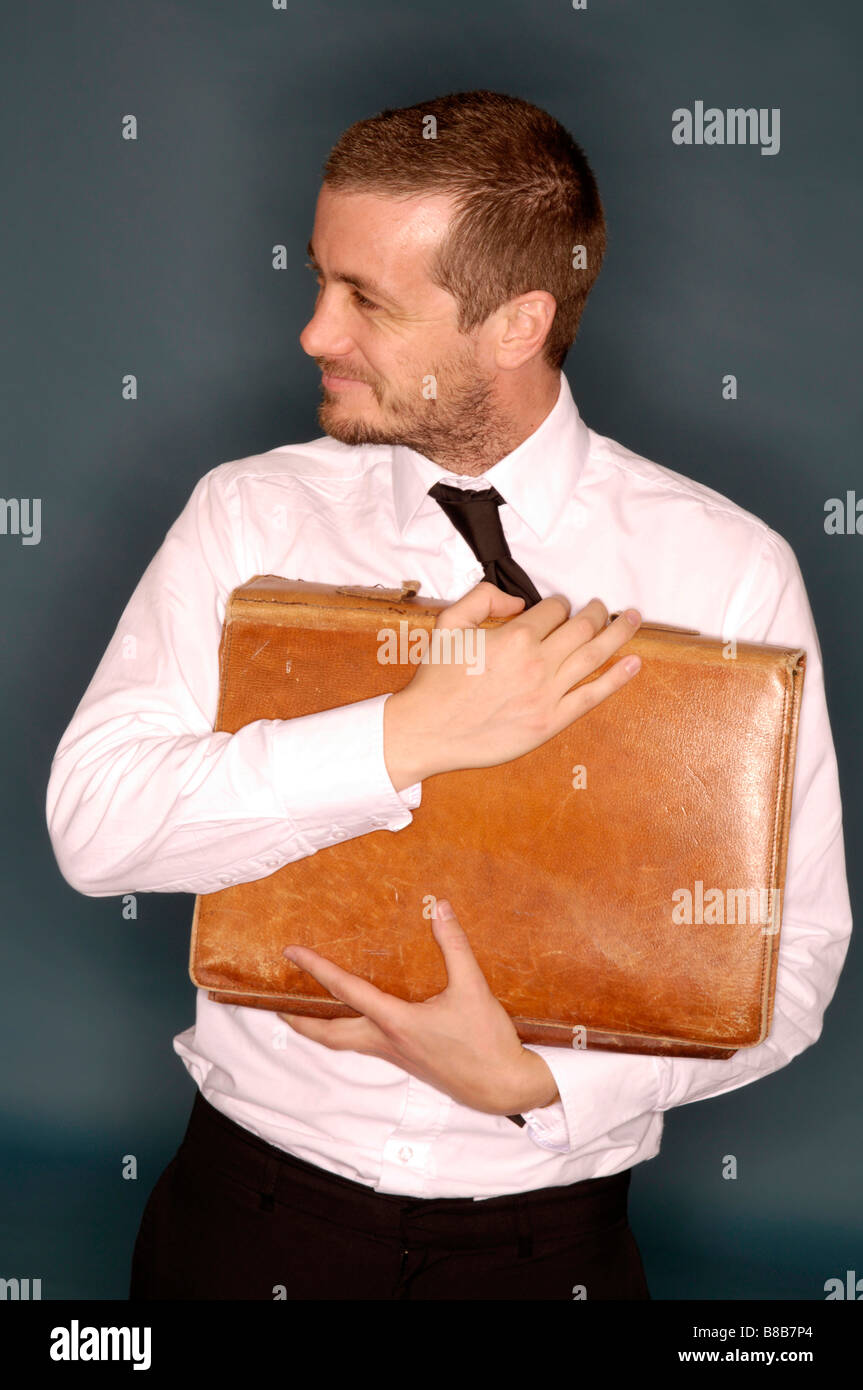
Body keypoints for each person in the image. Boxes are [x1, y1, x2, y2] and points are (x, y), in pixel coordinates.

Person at [46, 90, 851, 1301]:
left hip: (546, 1257)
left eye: (363, 298)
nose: (314, 333)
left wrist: (539, 1082)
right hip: (250, 1224)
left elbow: (792, 952)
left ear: (517, 321)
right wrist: (403, 735)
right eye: (319, 279)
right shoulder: (249, 512)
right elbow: (96, 830)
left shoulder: (728, 570)